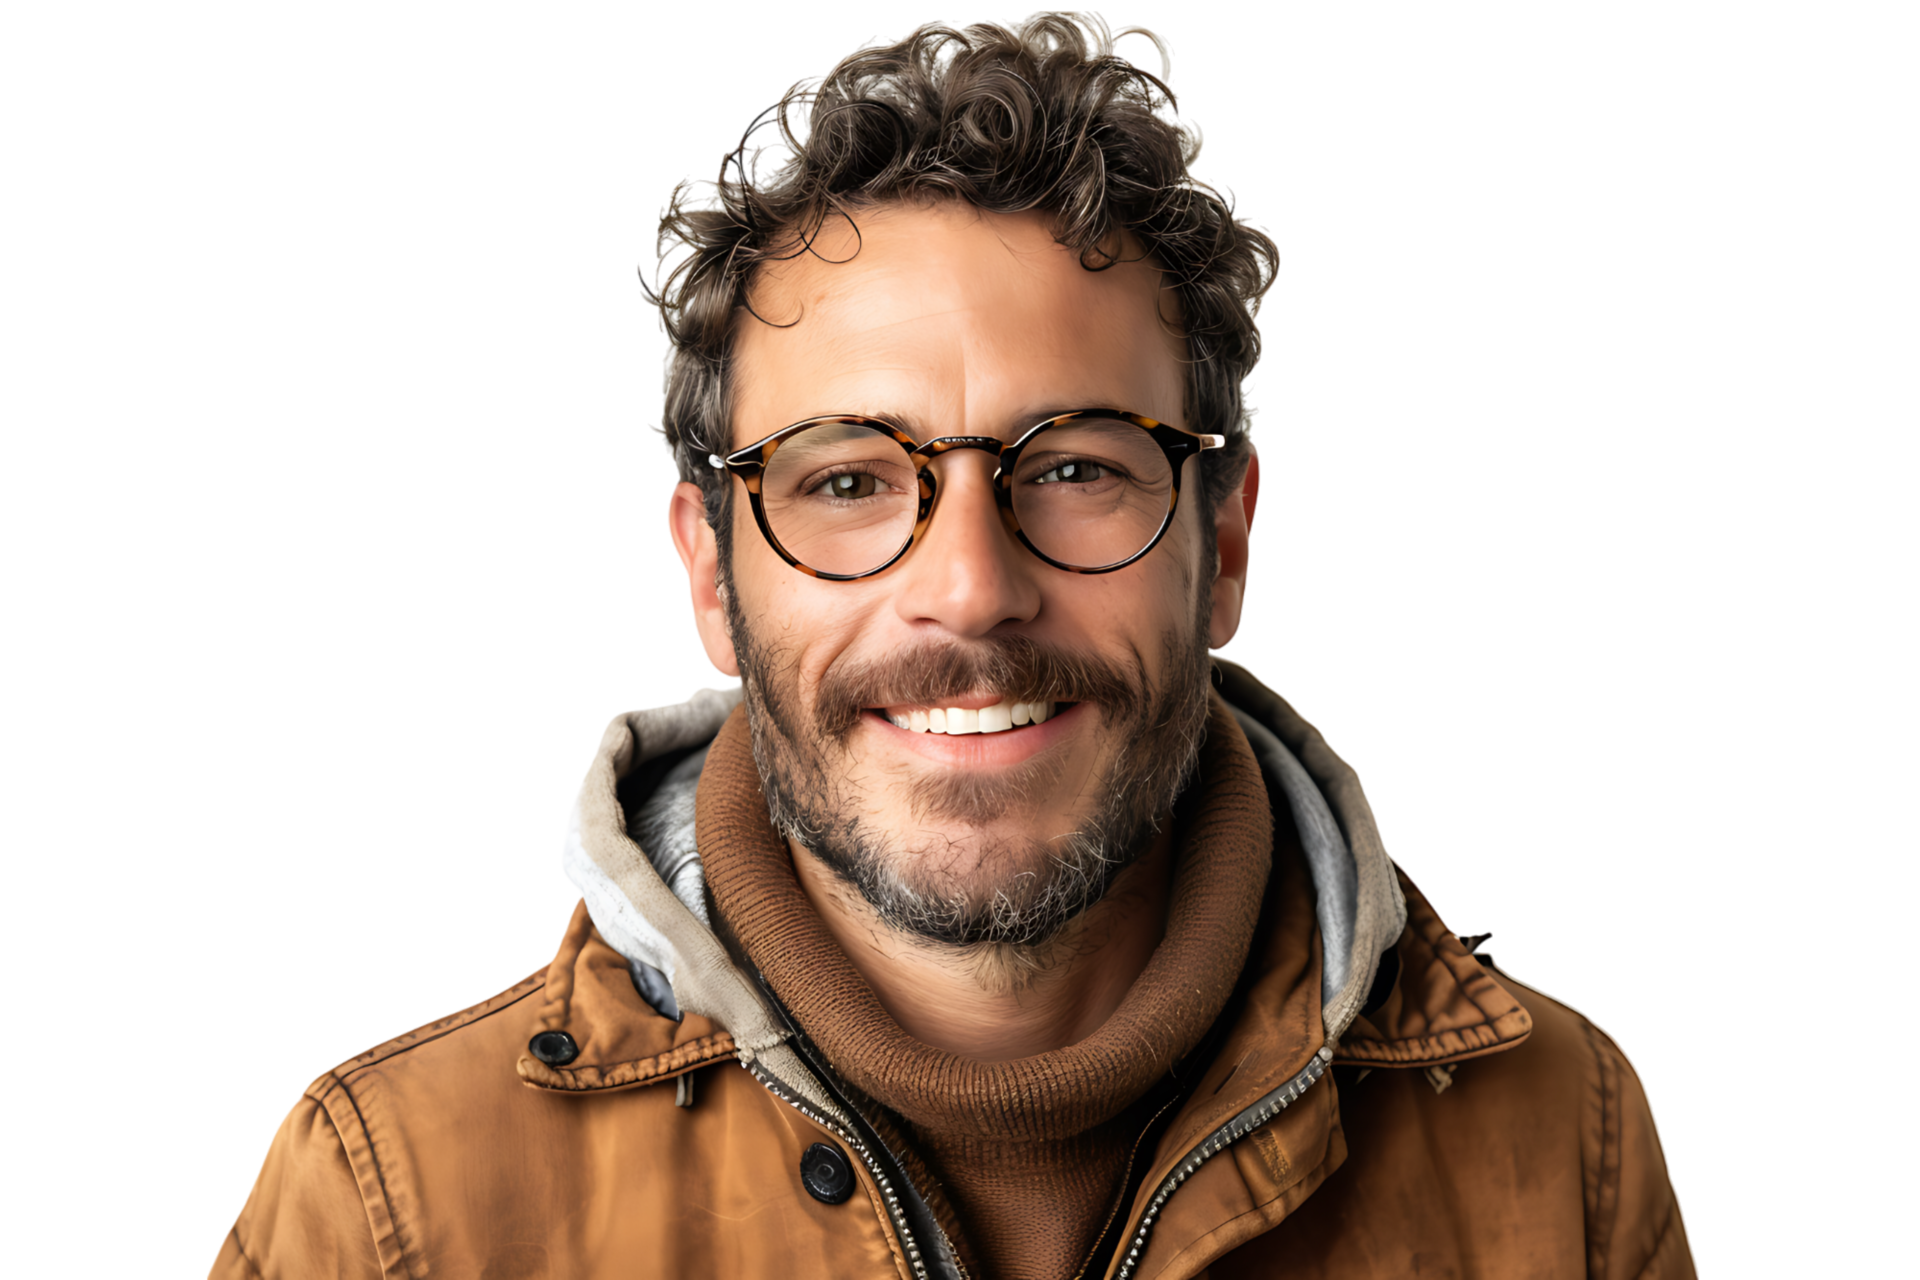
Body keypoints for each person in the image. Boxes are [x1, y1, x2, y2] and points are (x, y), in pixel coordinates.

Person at [211, 12, 1697, 1278]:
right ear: (710, 578)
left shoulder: (1568, 1143)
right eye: (850, 482)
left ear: (1228, 546)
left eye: (1077, 465)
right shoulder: (389, 1210)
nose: (974, 591)